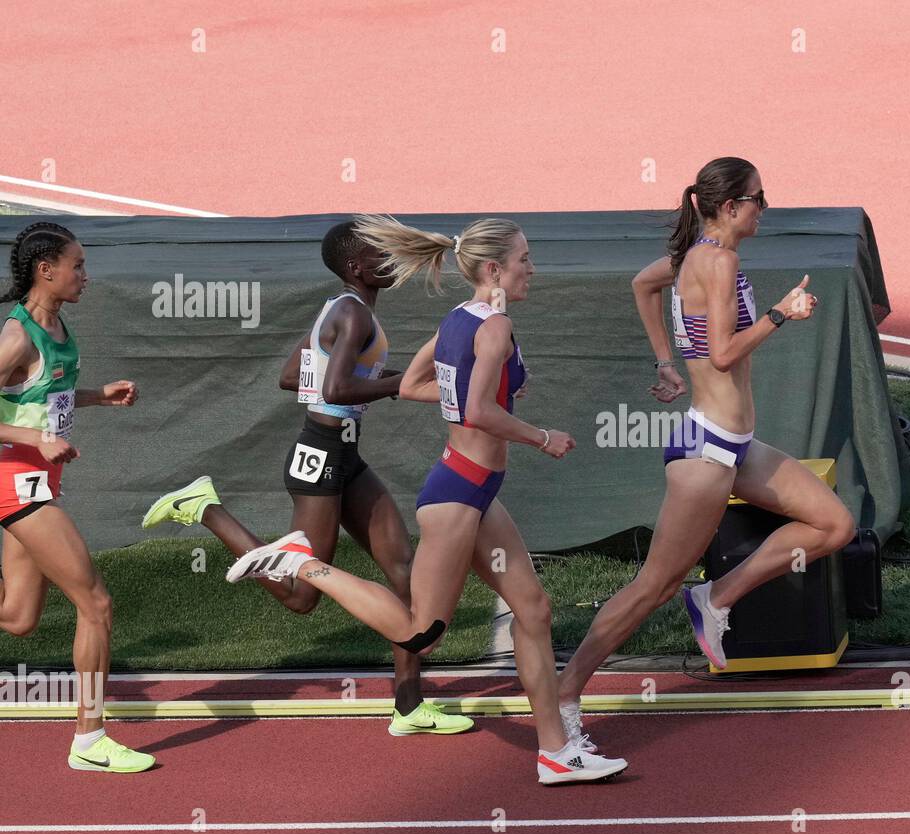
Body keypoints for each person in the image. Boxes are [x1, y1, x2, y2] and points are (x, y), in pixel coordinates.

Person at [225, 215, 627, 784]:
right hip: (458, 494)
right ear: (494, 269)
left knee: (533, 609)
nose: (532, 268)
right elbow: (476, 411)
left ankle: (556, 751)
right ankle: (305, 563)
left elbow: (414, 386)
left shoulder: (464, 318)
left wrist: (490, 388)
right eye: (524, 259)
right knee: (421, 632)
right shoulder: (491, 329)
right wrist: (542, 436)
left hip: (476, 491)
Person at [556, 157, 857, 747]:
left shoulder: (695, 255)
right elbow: (721, 355)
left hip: (733, 445)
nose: (765, 206)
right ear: (730, 207)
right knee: (652, 586)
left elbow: (644, 286)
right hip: (708, 451)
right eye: (759, 197)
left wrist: (664, 360)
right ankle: (566, 692)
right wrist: (781, 314)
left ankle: (715, 597)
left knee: (833, 524)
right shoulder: (717, 260)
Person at [140, 221, 469, 734]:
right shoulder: (352, 313)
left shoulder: (341, 308)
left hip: (343, 454)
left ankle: (408, 707)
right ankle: (204, 507)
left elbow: (293, 374)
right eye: (376, 253)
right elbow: (335, 388)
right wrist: (400, 384)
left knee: (404, 567)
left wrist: (380, 380)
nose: (389, 259)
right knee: (302, 597)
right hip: (320, 456)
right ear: (357, 268)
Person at [0, 221, 152, 771]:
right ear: (47, 269)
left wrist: (97, 397)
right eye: (79, 265)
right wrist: (35, 439)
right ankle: (89, 740)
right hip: (16, 485)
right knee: (96, 604)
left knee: (18, 617)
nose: (86, 275)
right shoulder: (15, 336)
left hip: (38, 483)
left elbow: (43, 397)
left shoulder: (56, 326)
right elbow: (25, 422)